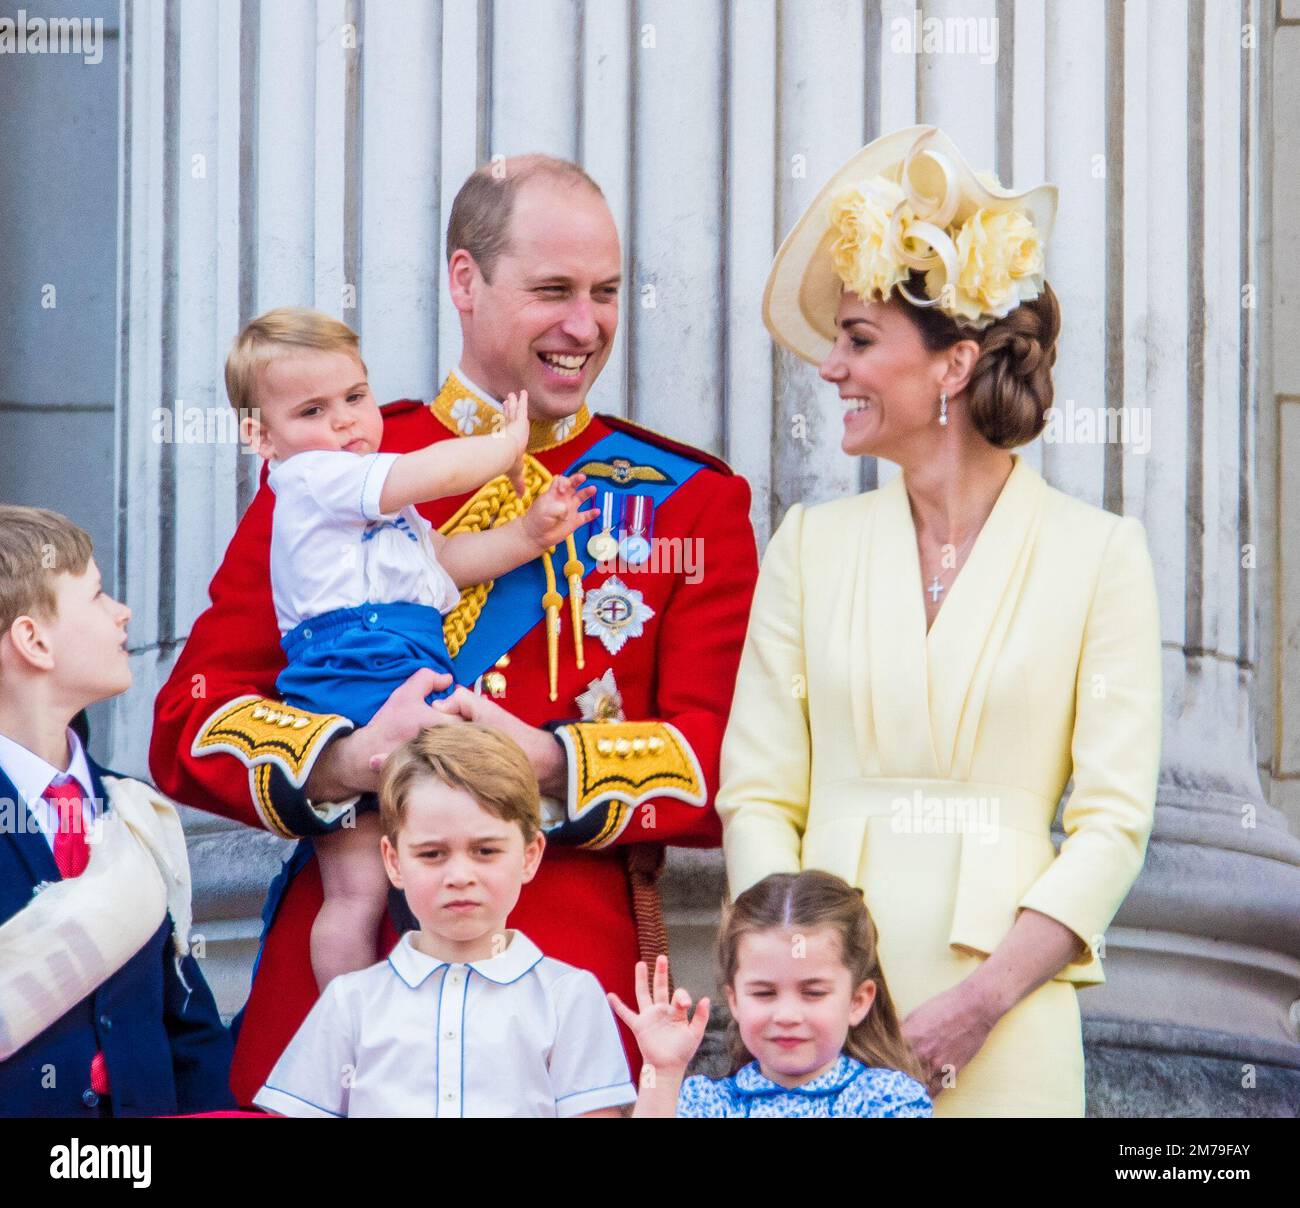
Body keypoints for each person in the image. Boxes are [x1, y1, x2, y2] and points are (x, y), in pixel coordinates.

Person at [149, 153, 760, 1103]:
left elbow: (727, 767)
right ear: (464, 281)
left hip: (559, 975)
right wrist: (346, 760)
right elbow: (188, 722)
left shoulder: (688, 503)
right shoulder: (341, 459)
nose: (584, 325)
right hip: (351, 962)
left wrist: (551, 760)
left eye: (604, 293)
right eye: (552, 290)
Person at [717, 126, 1162, 1116]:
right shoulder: (807, 543)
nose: (830, 368)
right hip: (821, 1025)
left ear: (953, 364)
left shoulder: (1100, 555)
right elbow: (754, 791)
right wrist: (794, 984)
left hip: (1008, 1012)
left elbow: (1111, 821)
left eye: (860, 340)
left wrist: (982, 1000)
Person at [227, 306, 598, 990]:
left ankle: (398, 1024)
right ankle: (351, 1026)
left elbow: (447, 564)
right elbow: (422, 472)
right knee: (383, 882)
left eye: (355, 398)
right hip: (355, 673)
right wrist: (507, 443)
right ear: (262, 437)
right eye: (312, 410)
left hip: (391, 667)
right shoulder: (314, 478)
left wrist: (530, 535)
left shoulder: (376, 507)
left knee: (371, 889)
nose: (343, 422)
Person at [253, 724, 635, 1117]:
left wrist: (667, 1071)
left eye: (485, 850)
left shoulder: (568, 997)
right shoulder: (350, 1001)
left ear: (529, 855)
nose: (459, 876)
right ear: (394, 862)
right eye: (432, 854)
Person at [0, 506, 234, 1117]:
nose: (122, 613)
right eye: (99, 596)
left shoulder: (137, 811)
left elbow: (187, 1024)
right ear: (34, 641)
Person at [611, 871, 931, 1118]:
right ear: (734, 1000)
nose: (787, 1015)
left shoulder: (888, 1100)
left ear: (857, 1001)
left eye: (814, 992)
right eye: (764, 993)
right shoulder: (706, 1103)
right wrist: (663, 1073)